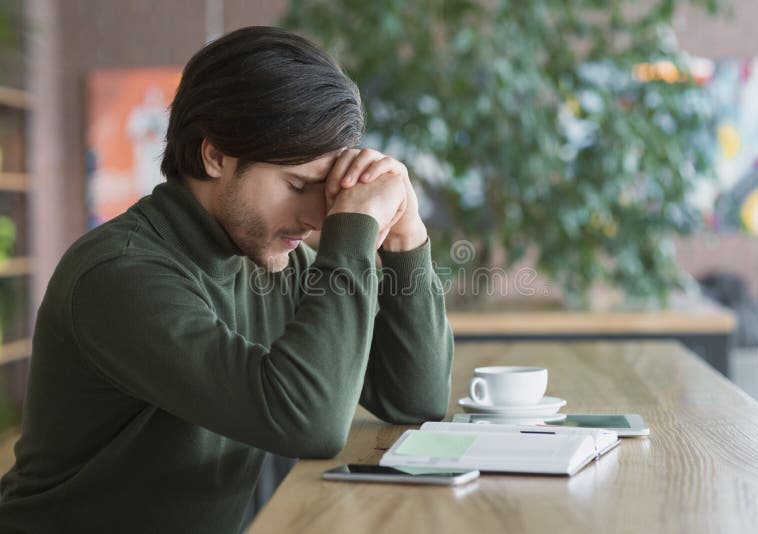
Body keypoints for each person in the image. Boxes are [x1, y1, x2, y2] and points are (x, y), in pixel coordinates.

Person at [0, 26, 453, 533]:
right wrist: (352, 232)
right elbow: (310, 423)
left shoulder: (273, 261)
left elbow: (416, 398)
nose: (315, 217)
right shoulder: (120, 275)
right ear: (214, 155)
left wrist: (404, 235)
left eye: (325, 189)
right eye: (298, 185)